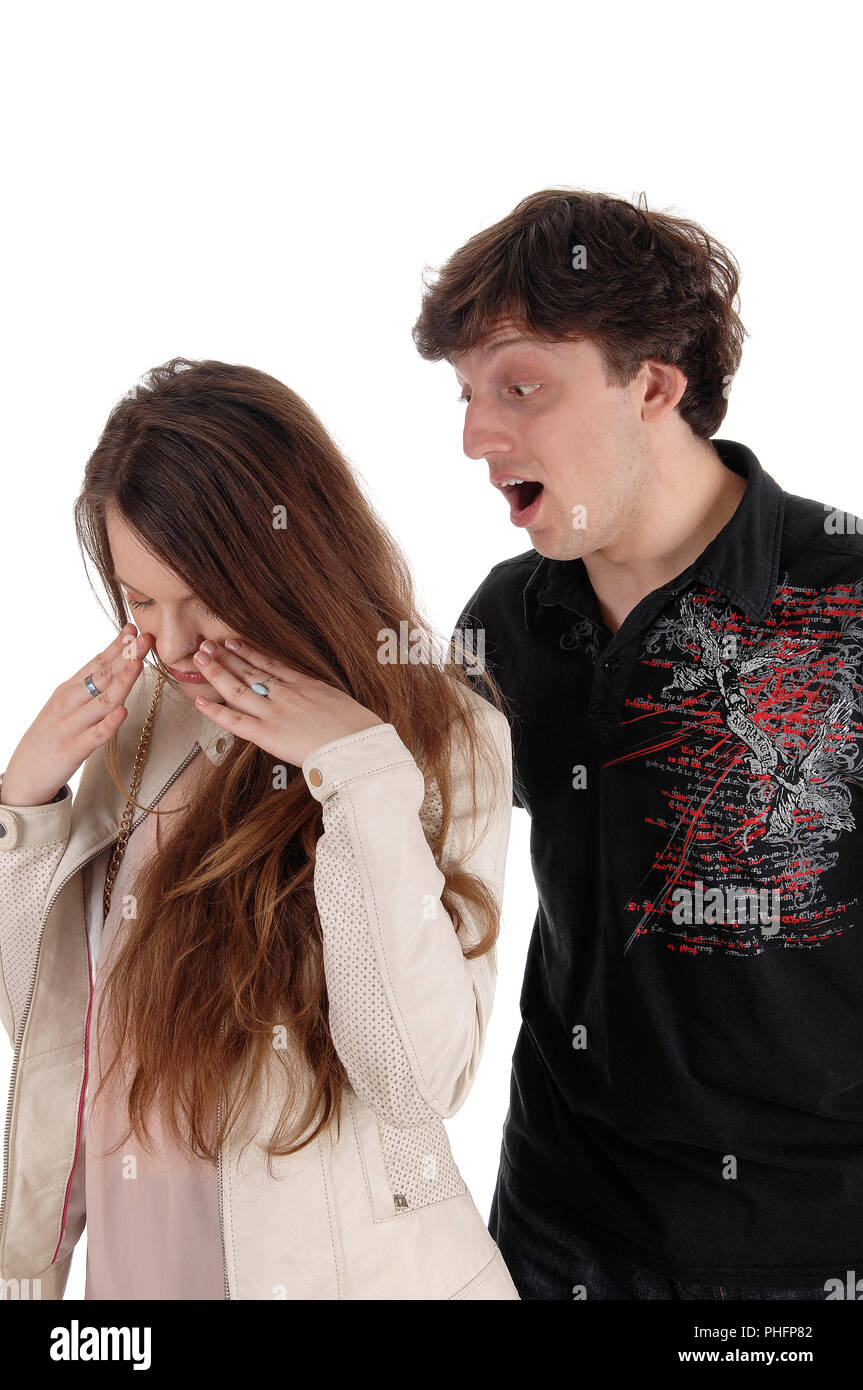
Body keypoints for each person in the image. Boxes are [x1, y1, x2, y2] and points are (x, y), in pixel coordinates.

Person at [413, 188, 863, 1301]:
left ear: (652, 383)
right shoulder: (507, 617)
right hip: (553, 1229)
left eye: (518, 385)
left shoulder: (845, 599)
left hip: (803, 1257)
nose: (476, 436)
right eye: (467, 396)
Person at [0, 358, 519, 1300]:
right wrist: (25, 805)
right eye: (141, 600)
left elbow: (416, 1080)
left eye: (205, 595)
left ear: (291, 557)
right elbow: (66, 1039)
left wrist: (357, 775)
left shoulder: (447, 737)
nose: (172, 643)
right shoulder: (142, 720)